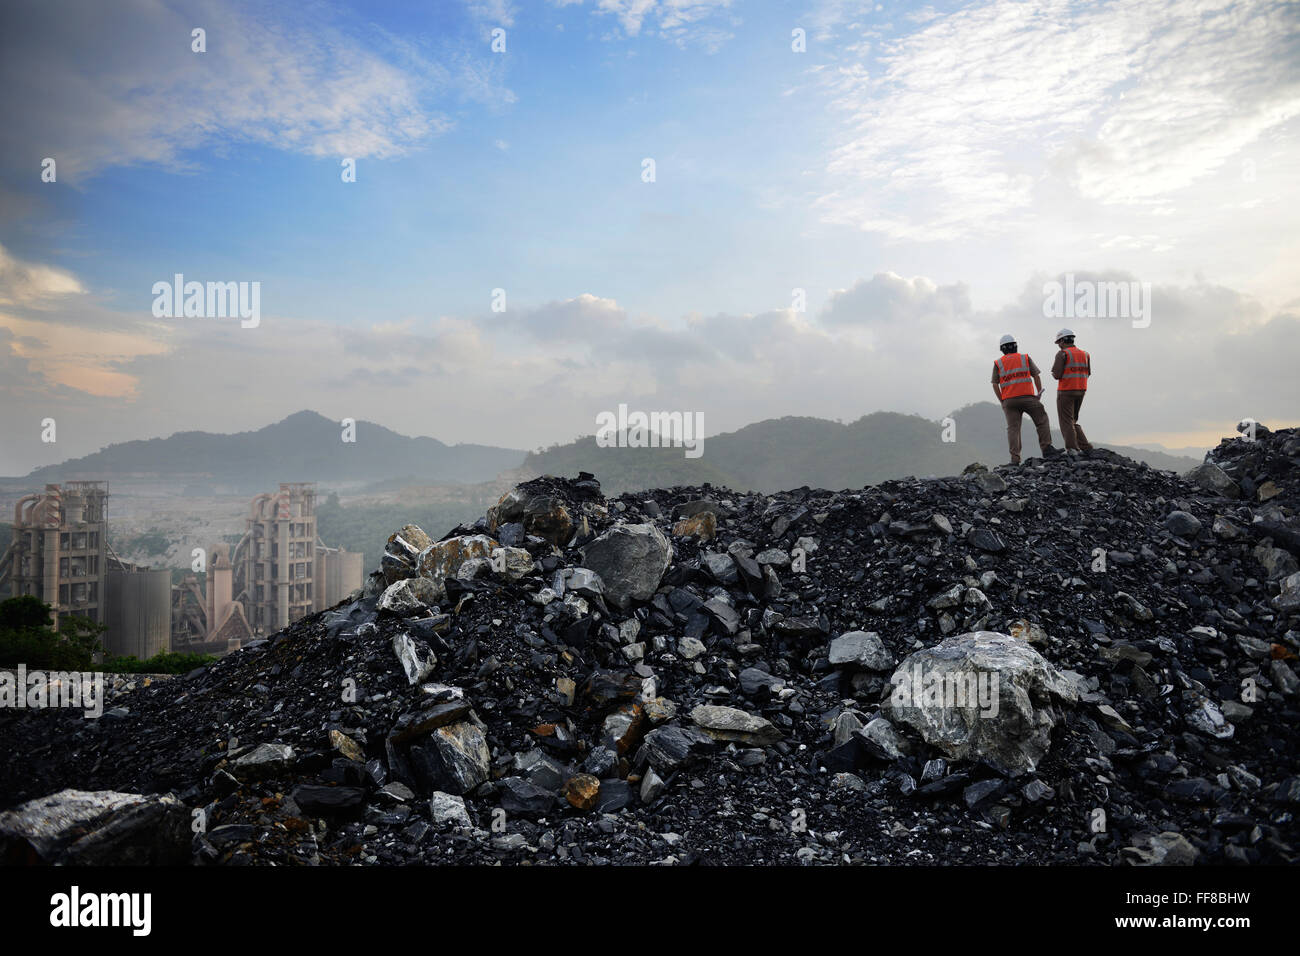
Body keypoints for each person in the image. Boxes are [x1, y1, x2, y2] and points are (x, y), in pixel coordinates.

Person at [991, 334, 1060, 465]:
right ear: (1015, 345)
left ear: (1002, 349)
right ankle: (1047, 450)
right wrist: (1038, 393)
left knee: (1013, 429)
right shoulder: (1025, 358)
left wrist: (1002, 401)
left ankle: (1015, 460)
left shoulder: (998, 363)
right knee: (1042, 420)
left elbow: (994, 383)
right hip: (1029, 398)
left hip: (1009, 401)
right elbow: (1036, 375)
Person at [1050, 328, 1093, 457]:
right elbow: (1088, 373)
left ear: (1063, 340)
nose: (1058, 345)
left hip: (1066, 391)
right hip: (1081, 390)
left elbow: (1056, 375)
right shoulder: (1085, 354)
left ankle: (1072, 448)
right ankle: (1086, 447)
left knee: (1066, 421)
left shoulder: (1063, 354)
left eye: (1059, 342)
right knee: (1073, 420)